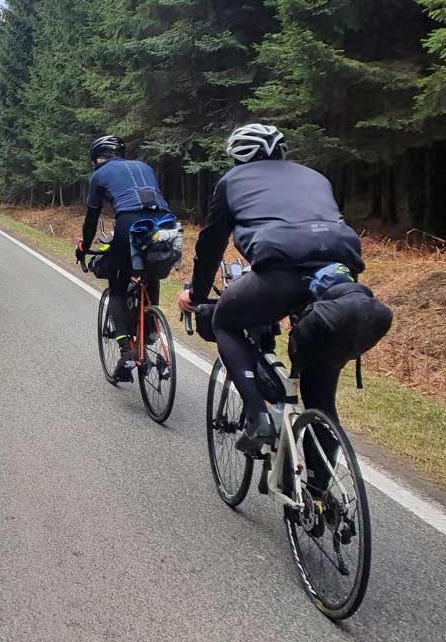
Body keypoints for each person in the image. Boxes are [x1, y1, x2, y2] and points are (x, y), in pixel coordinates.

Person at [178, 124, 365, 457]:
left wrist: (197, 293)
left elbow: (210, 245)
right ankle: (321, 503)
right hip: (336, 276)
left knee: (225, 321)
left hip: (279, 271)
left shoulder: (231, 181)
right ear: (281, 150)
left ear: (237, 157)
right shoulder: (316, 177)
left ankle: (257, 416)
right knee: (321, 403)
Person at [75, 135, 174, 380]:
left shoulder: (99, 175)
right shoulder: (144, 166)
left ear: (97, 157)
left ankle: (126, 353)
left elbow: (91, 219)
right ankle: (150, 327)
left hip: (129, 221)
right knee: (151, 272)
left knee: (117, 287)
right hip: (166, 221)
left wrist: (83, 247)